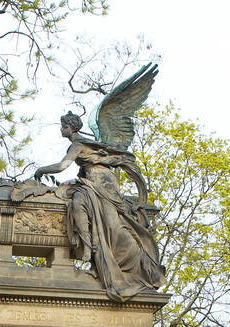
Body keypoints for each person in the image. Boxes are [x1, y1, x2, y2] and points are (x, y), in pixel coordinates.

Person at [32, 113, 164, 301]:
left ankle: (91, 248)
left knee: (86, 207)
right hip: (99, 182)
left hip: (101, 184)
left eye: (63, 126)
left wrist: (41, 170)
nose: (61, 130)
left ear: (70, 127)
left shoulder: (78, 144)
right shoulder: (86, 143)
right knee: (84, 203)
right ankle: (90, 246)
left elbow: (62, 166)